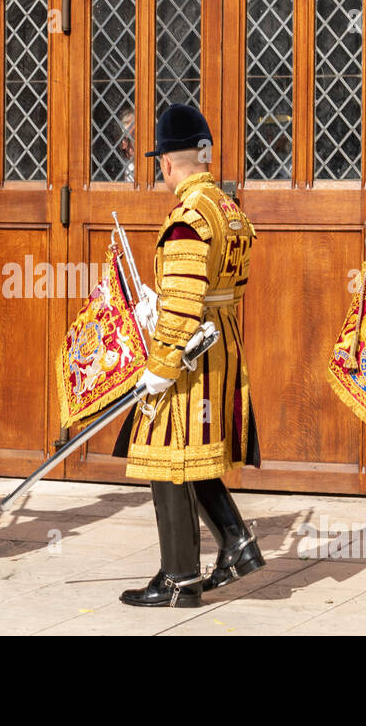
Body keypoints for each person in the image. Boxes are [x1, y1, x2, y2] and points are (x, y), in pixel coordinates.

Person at [112, 104, 264, 608]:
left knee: (165, 455)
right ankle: (235, 540)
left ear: (166, 163)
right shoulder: (229, 210)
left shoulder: (188, 219)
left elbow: (180, 305)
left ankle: (179, 578)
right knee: (192, 452)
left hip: (189, 350)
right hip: (221, 341)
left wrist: (158, 367)